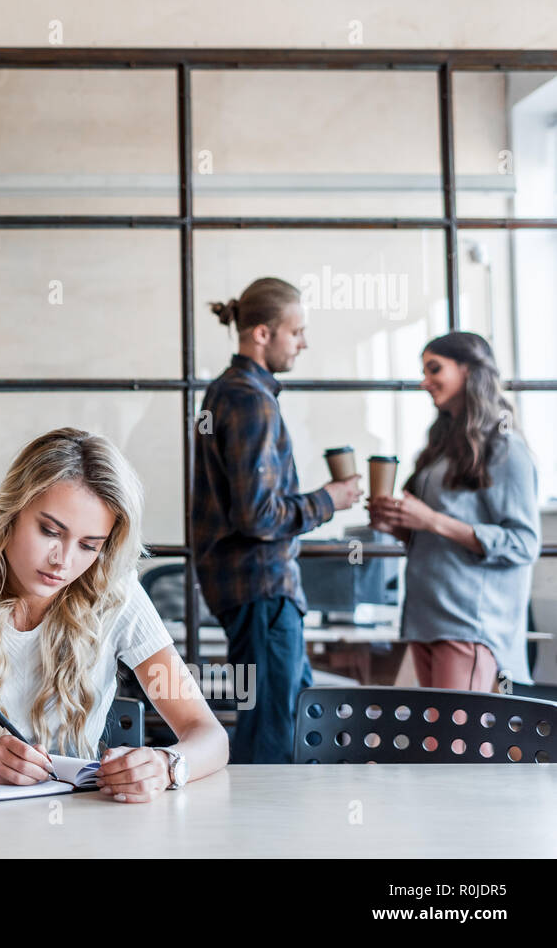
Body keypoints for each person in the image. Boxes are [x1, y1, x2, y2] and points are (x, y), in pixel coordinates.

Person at [0, 427, 228, 803]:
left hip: (84, 826)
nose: (63, 561)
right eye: (50, 531)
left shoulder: (119, 595)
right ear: (11, 511)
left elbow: (208, 734)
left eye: (88, 545)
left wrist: (166, 764)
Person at [193, 277, 361, 763]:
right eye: (297, 331)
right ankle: (253, 837)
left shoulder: (227, 392)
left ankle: (267, 833)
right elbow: (259, 515)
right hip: (262, 590)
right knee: (272, 733)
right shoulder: (250, 399)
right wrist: (330, 499)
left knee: (290, 721)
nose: (304, 342)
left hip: (254, 592)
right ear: (262, 334)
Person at [369, 332, 540, 691]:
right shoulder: (442, 449)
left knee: (455, 745)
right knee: (438, 743)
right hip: (425, 619)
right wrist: (398, 525)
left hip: (468, 624)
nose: (424, 381)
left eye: (434, 369)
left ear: (468, 370)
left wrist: (431, 520)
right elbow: (433, 537)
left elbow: (524, 543)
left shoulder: (505, 450)